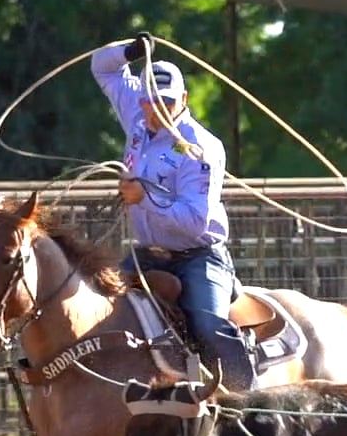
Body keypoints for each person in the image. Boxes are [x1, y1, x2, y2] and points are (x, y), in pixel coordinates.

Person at [90, 30, 255, 392]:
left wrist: (143, 199)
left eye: (164, 102)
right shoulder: (137, 112)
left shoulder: (200, 148)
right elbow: (102, 68)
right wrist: (129, 51)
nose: (154, 110)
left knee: (208, 323)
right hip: (148, 253)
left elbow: (195, 222)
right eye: (149, 101)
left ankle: (247, 400)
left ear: (183, 99)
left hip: (198, 257)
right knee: (97, 303)